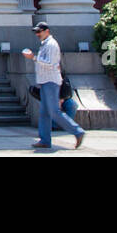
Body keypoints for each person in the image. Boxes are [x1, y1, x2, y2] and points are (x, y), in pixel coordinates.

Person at [22, 22, 85, 150]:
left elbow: (50, 63)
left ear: (47, 31)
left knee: (54, 111)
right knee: (44, 112)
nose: (38, 34)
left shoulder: (51, 44)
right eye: (36, 32)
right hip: (45, 81)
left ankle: (78, 131)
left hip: (51, 81)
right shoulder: (45, 45)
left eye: (40, 31)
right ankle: (45, 140)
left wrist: (33, 58)